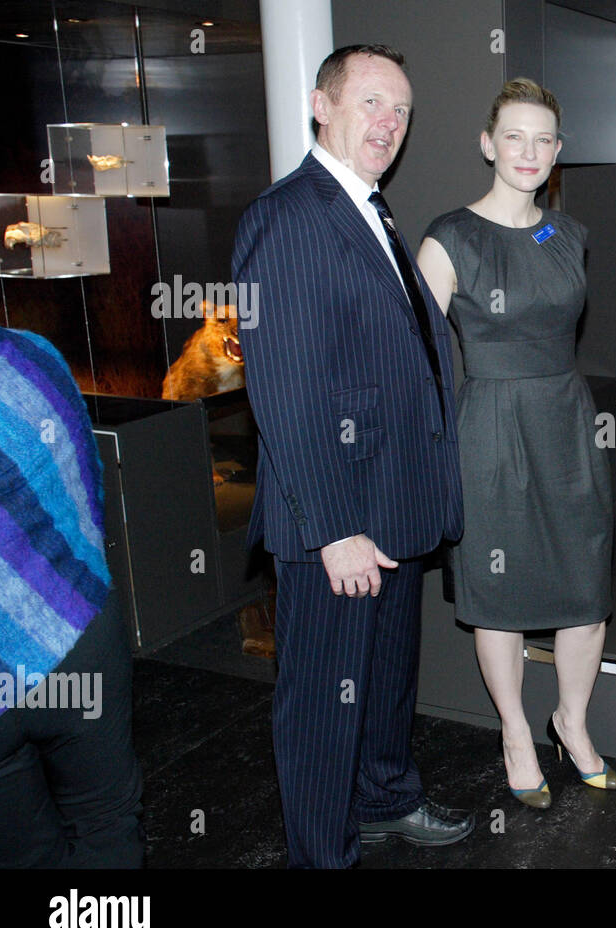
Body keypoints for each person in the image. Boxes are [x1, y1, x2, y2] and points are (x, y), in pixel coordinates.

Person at [233, 44, 470, 867]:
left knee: (383, 683)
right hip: (337, 518)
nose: (389, 124)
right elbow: (287, 393)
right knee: (323, 708)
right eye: (371, 102)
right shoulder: (290, 216)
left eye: (401, 110)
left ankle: (385, 797)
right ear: (321, 106)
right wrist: (333, 529)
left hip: (392, 504)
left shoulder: (371, 207)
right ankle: (321, 855)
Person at [417, 78, 616, 810]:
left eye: (543, 140)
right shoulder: (449, 238)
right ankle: (514, 731)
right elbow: (416, 355)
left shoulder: (569, 236)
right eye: (514, 136)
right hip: (490, 428)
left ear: (558, 153)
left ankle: (572, 719)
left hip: (563, 423)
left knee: (586, 594)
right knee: (497, 599)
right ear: (487, 143)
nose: (528, 152)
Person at [0, 327, 144, 868]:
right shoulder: (35, 357)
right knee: (107, 821)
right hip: (81, 636)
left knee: (24, 853)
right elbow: (85, 483)